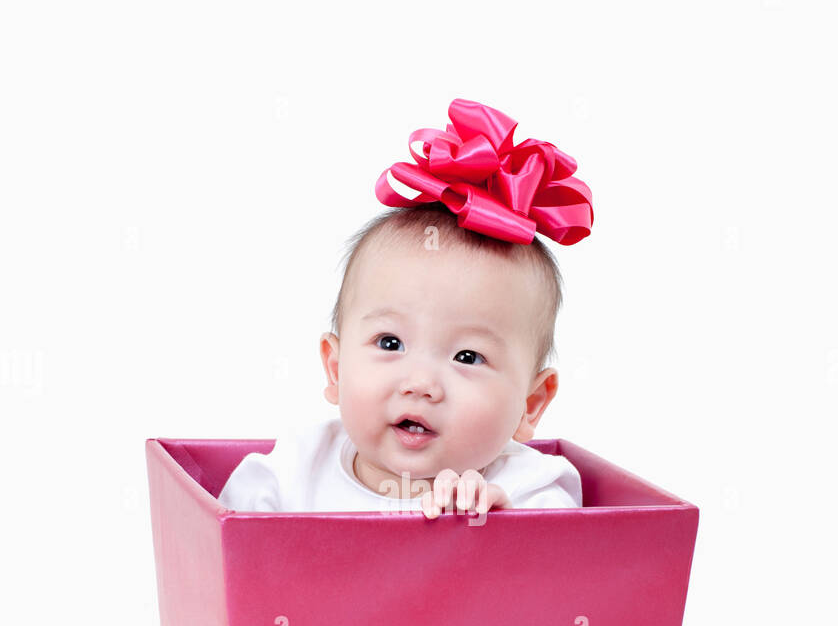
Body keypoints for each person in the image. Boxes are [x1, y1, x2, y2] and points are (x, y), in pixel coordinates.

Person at [218, 98, 594, 520]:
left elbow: (569, 568)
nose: (421, 384)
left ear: (531, 403)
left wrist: (507, 529)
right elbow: (221, 549)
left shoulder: (528, 487)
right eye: (390, 342)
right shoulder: (292, 472)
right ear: (337, 369)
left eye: (467, 356)